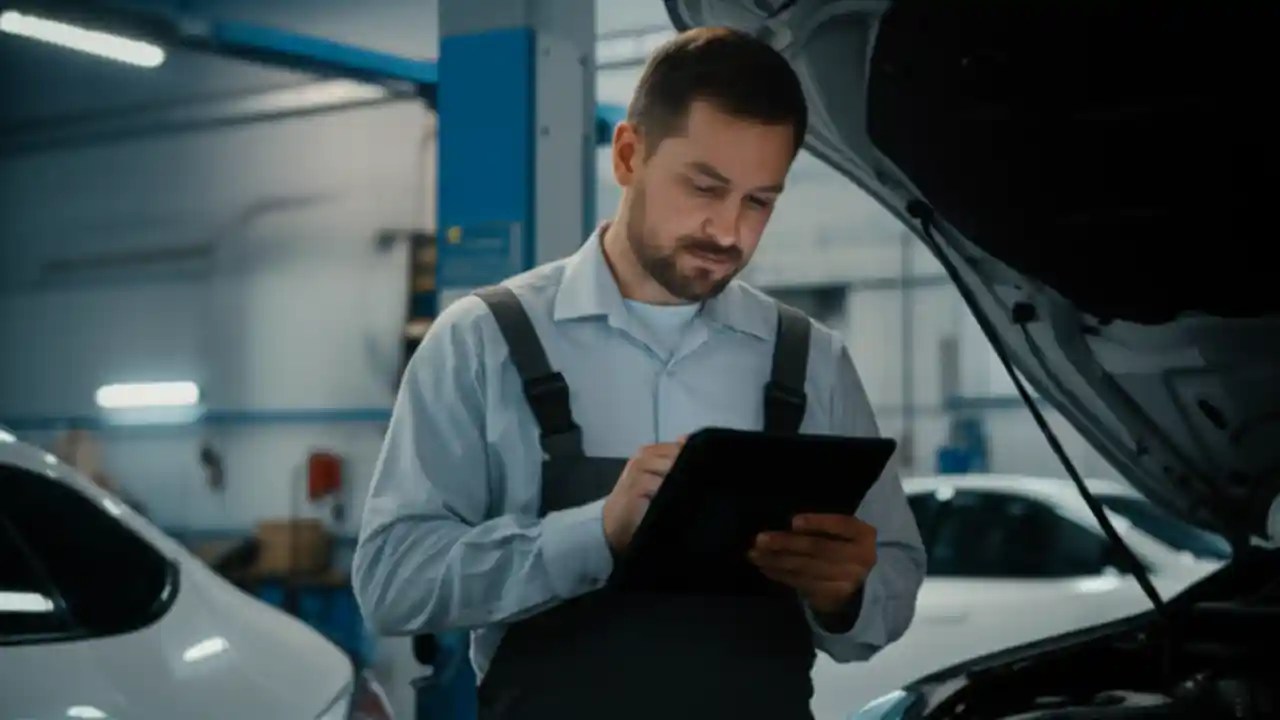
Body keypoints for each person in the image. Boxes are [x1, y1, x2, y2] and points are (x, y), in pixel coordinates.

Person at [354, 26, 926, 719]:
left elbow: (893, 578)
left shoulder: (812, 361)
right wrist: (593, 533)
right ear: (629, 155)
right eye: (704, 187)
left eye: (758, 201)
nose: (728, 231)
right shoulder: (485, 342)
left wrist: (846, 596)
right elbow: (391, 581)